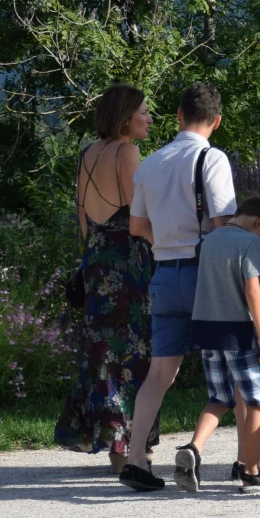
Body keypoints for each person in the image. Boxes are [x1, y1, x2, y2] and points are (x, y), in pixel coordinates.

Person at [117, 82, 239, 492]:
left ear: (177, 116)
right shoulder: (212, 158)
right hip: (205, 274)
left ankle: (136, 460)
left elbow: (137, 227)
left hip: (165, 273)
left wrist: (167, 243)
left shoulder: (151, 163)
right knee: (232, 367)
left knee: (159, 374)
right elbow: (223, 226)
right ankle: (247, 461)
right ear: (216, 121)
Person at [55, 85, 155, 469]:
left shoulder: (88, 154)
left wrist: (94, 258)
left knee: (101, 352)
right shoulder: (126, 152)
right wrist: (164, 245)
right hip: (126, 263)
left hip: (96, 259)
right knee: (132, 352)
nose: (148, 118)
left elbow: (83, 217)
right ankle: (128, 446)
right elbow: (139, 218)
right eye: (143, 112)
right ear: (125, 116)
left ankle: (110, 438)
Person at [172, 197, 260, 494]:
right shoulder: (250, 244)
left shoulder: (209, 241)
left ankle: (193, 448)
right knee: (256, 401)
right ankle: (251, 473)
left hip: (207, 331)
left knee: (220, 399)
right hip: (238, 332)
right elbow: (253, 292)